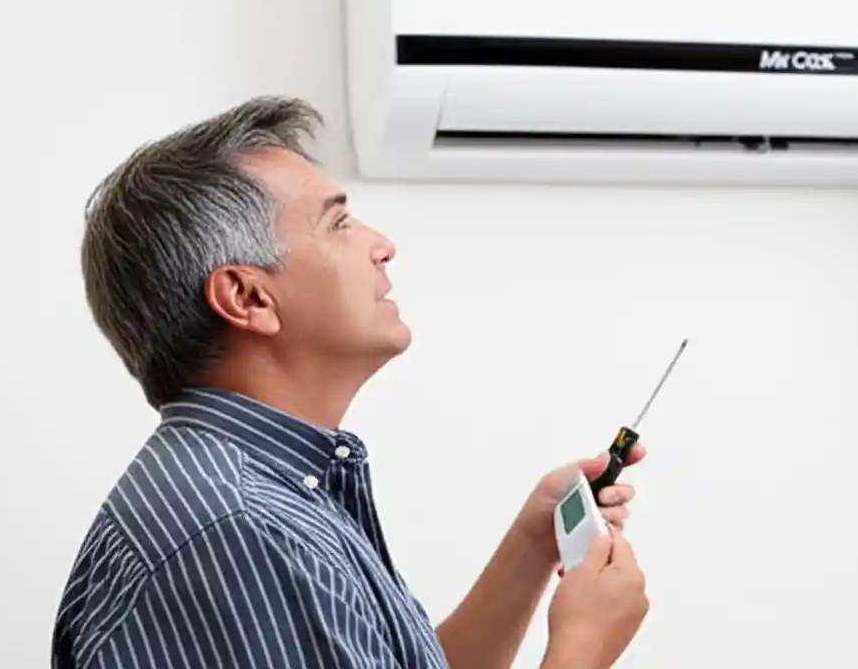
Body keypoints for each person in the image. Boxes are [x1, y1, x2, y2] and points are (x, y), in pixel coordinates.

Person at [51, 96, 650, 668]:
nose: (382, 246)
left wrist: (532, 544)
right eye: (338, 223)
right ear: (248, 297)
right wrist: (581, 649)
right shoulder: (242, 531)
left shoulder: (274, 493)